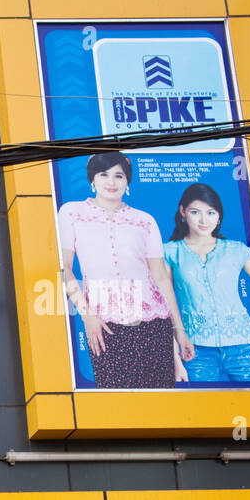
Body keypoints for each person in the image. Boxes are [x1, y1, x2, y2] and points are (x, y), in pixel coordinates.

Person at [58, 151, 194, 387]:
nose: (111, 182)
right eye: (104, 174)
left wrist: (179, 331)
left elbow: (160, 278)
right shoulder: (72, 213)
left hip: (154, 324)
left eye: (118, 176)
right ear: (92, 180)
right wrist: (88, 315)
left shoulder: (144, 220)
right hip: (104, 324)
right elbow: (65, 269)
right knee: (116, 405)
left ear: (127, 181)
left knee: (159, 403)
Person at [162, 182, 250, 383]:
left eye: (211, 213)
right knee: (201, 412)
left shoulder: (237, 250)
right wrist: (174, 359)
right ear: (183, 212)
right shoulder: (170, 252)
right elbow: (163, 308)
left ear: (219, 216)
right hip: (195, 351)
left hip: (246, 348)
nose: (204, 220)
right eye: (196, 212)